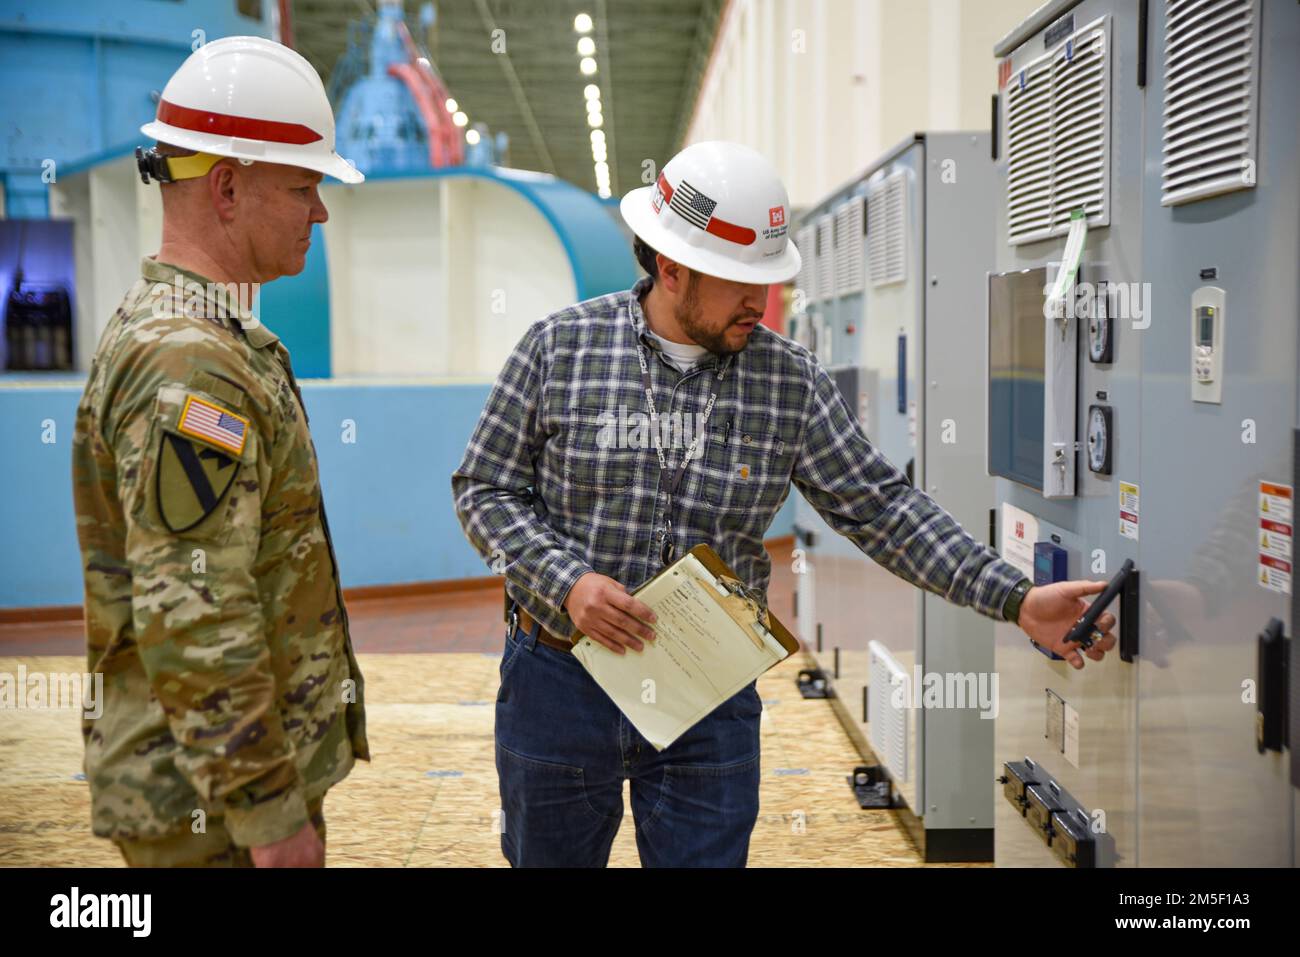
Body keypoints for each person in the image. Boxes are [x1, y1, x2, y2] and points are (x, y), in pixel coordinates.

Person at [452, 140, 1117, 868]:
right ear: (669, 267)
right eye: (738, 280)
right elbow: (484, 490)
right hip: (559, 683)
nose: (759, 301)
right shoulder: (559, 348)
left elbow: (883, 507)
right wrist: (567, 582)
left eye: (768, 279)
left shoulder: (787, 378)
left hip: (707, 697)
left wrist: (1015, 598)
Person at [71, 36, 368, 868]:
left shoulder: (209, 337)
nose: (320, 211)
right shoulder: (190, 361)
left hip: (218, 789)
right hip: (211, 811)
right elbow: (193, 609)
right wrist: (269, 816)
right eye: (304, 186)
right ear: (228, 188)